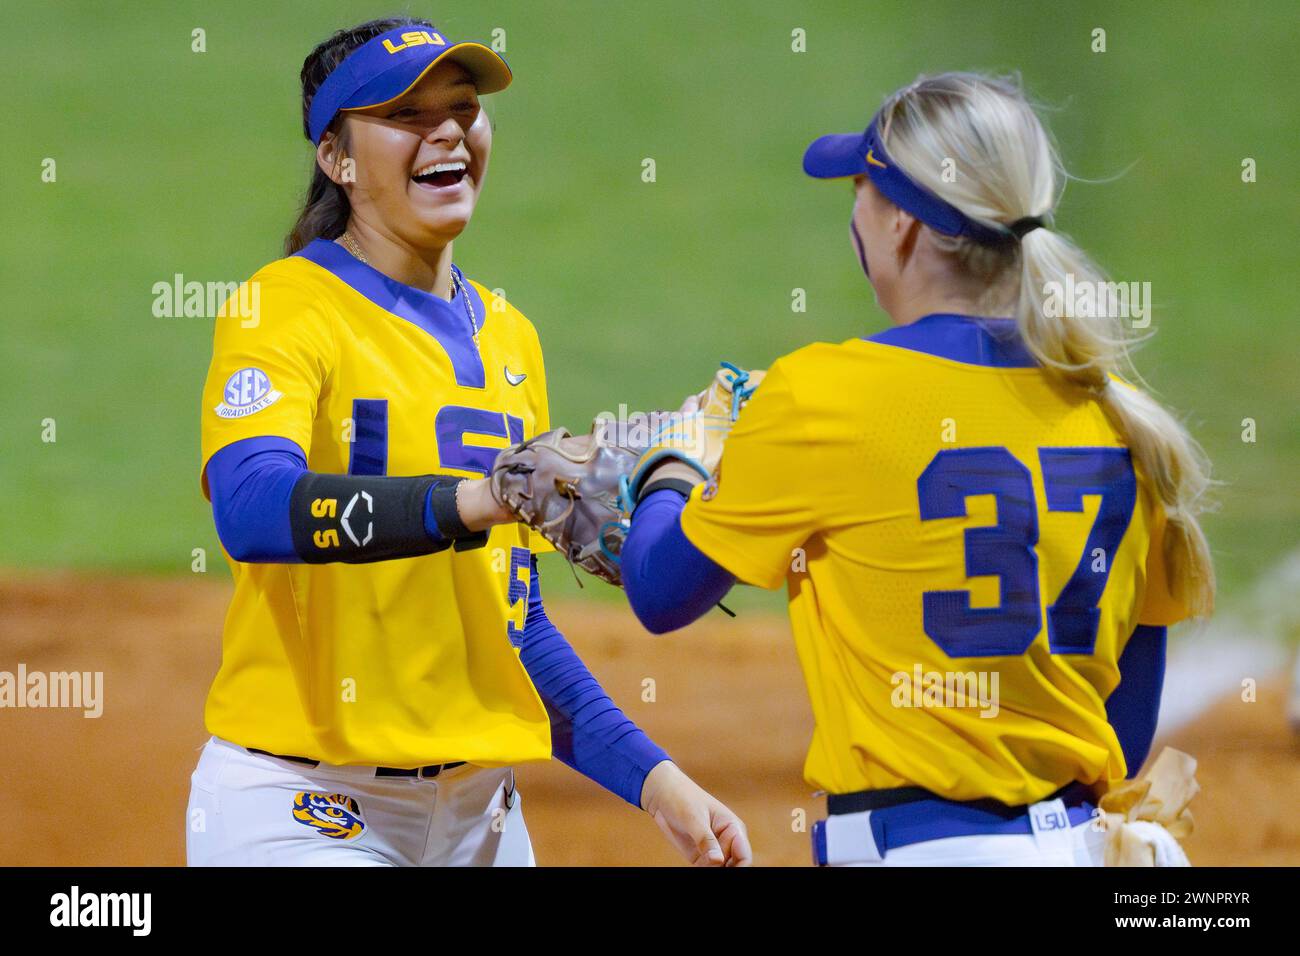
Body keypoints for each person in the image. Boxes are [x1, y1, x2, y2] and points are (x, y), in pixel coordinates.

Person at [187, 16, 749, 867]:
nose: (448, 129)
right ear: (337, 159)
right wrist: (481, 498)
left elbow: (508, 622)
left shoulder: (511, 340)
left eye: (461, 108)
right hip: (302, 807)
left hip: (480, 817)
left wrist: (656, 779)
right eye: (407, 115)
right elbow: (253, 508)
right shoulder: (285, 306)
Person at [616, 72, 1214, 866]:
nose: (855, 212)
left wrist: (675, 461)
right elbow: (1126, 730)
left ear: (899, 222)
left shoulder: (823, 395)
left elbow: (659, 590)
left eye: (860, 188)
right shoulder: (1127, 417)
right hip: (1085, 849)